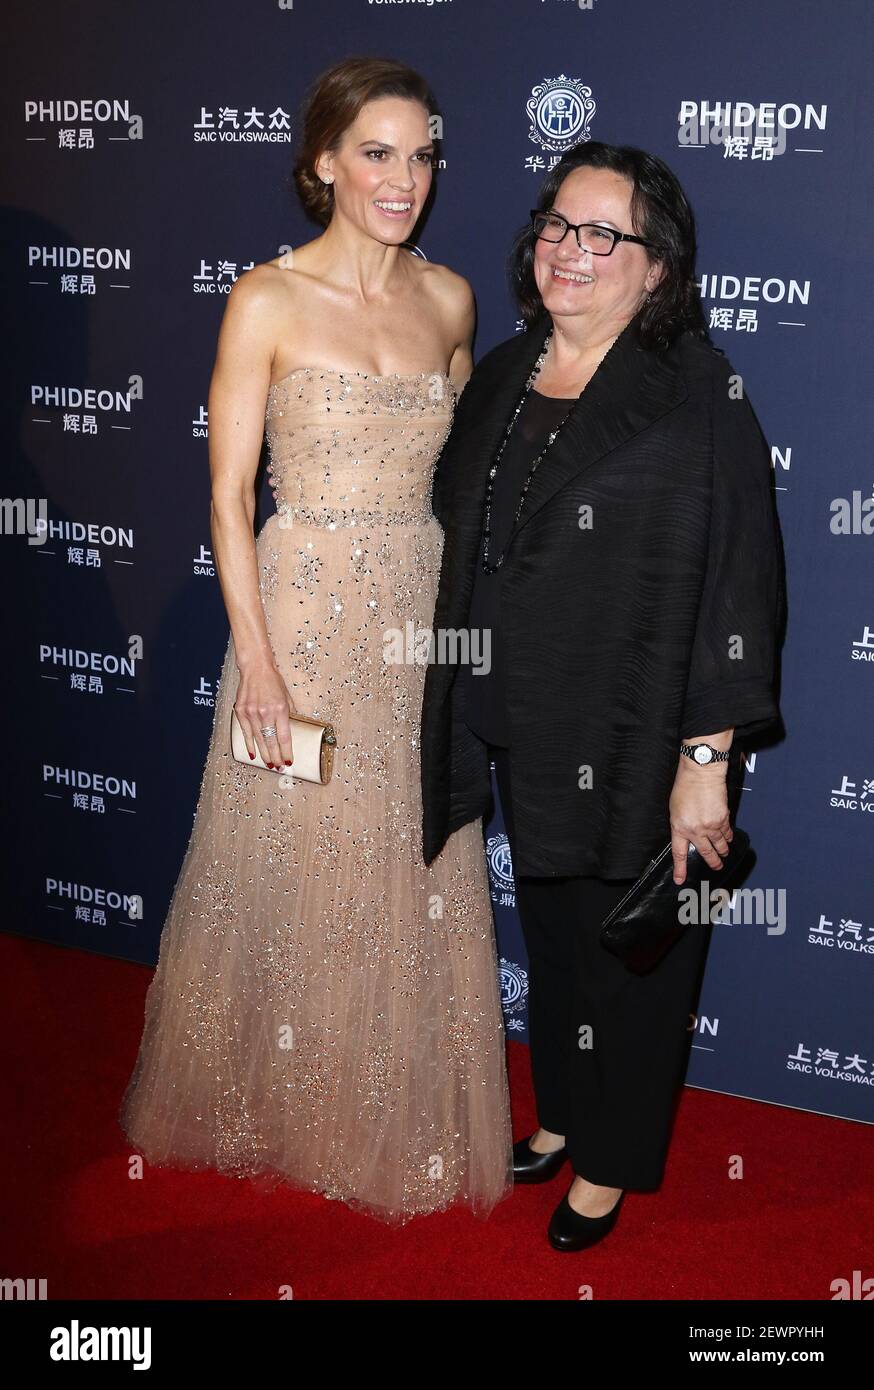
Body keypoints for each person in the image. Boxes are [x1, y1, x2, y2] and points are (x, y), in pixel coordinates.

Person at [118, 57, 513, 1225]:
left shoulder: (451, 301)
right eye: (376, 153)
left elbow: (449, 473)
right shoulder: (266, 299)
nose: (403, 178)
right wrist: (259, 658)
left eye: (420, 154)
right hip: (297, 610)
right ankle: (280, 1100)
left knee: (405, 852)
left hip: (414, 609)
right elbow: (229, 496)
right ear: (324, 163)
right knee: (288, 857)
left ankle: (376, 1101)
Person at [420, 142, 786, 1251]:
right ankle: (567, 1113)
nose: (567, 251)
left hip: (639, 725)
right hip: (528, 721)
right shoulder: (504, 369)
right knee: (564, 941)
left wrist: (705, 761)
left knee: (639, 955)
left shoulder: (695, 392)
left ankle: (612, 1160)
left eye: (601, 235)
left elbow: (740, 584)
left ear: (657, 266)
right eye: (554, 226)